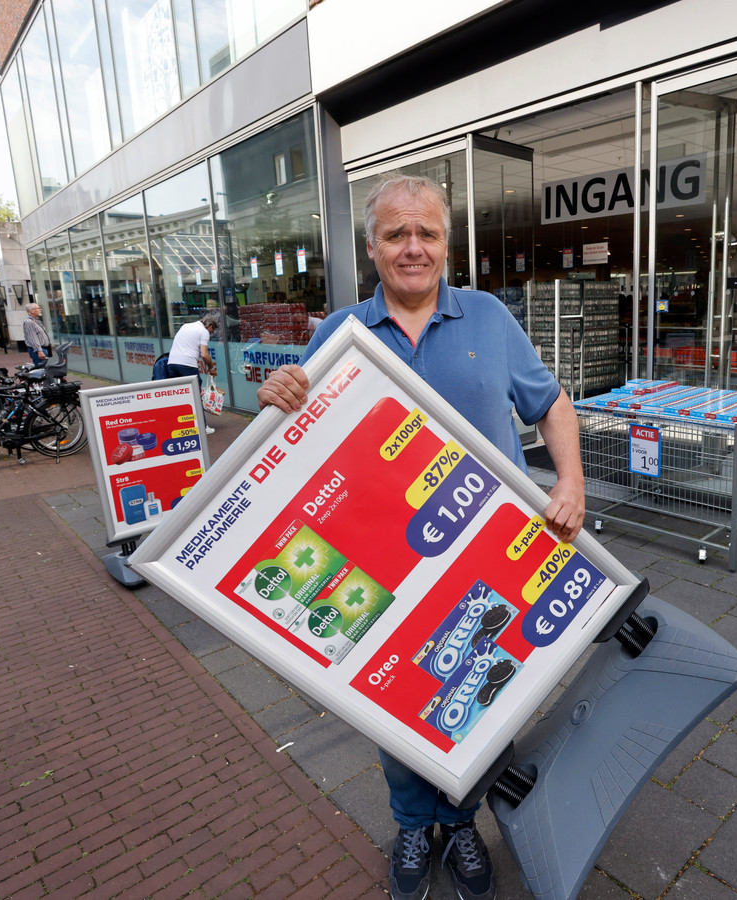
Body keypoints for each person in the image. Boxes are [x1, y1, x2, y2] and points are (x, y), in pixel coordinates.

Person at [257, 173, 585, 900]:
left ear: (445, 244)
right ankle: (413, 823)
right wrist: (278, 400)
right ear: (372, 247)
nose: (413, 247)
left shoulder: (488, 318)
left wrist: (570, 482)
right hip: (386, 562)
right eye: (396, 234)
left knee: (480, 690)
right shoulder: (340, 334)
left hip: (490, 556)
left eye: (426, 233)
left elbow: (552, 404)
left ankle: (460, 821)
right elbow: (296, 446)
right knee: (396, 697)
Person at [168, 309, 221, 435]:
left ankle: (181, 425)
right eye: (212, 331)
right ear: (210, 326)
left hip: (171, 363)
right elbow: (205, 354)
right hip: (187, 366)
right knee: (195, 396)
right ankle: (203, 427)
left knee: (178, 397)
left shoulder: (185, 326)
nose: (211, 334)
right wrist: (211, 368)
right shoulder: (204, 332)